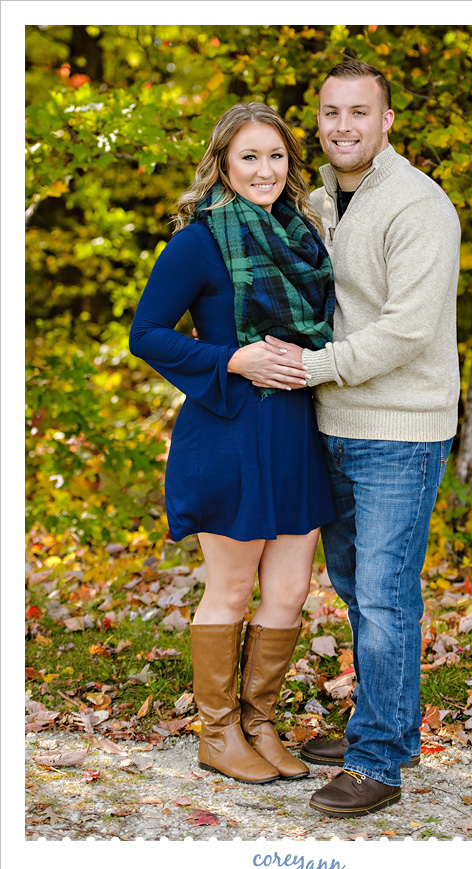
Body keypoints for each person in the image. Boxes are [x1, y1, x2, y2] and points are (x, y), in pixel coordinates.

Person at [252, 61, 461, 817]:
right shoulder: (313, 202)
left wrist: (312, 368)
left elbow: (406, 331)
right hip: (332, 425)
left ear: (387, 121)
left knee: (385, 597)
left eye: (359, 112)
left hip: (399, 433)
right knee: (357, 592)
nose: (343, 126)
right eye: (331, 112)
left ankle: (379, 761)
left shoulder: (418, 206)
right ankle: (383, 722)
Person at [129, 102, 337, 785]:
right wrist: (229, 361)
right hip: (229, 430)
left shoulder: (304, 236)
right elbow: (148, 333)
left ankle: (259, 722)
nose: (265, 170)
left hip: (295, 432)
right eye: (249, 156)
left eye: (275, 156)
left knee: (288, 591)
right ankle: (217, 733)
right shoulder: (199, 240)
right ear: (222, 163)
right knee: (230, 589)